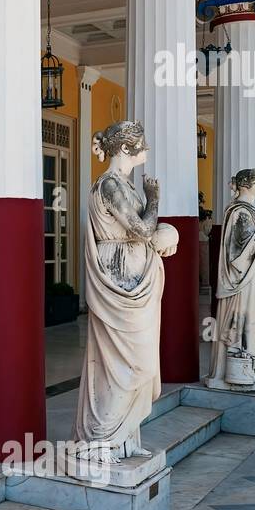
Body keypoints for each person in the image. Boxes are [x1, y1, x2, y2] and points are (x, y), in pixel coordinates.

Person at [72, 121, 177, 464]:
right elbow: (143, 230)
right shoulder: (110, 186)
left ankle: (126, 438)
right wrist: (156, 199)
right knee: (119, 363)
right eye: (143, 146)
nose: (146, 152)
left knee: (137, 362)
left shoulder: (125, 186)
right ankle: (101, 439)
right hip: (118, 278)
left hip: (135, 276)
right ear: (127, 150)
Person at [207, 168, 255, 388]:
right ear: (249, 184)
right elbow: (238, 252)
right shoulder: (240, 212)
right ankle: (244, 370)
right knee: (249, 320)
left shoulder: (250, 211)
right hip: (246, 279)